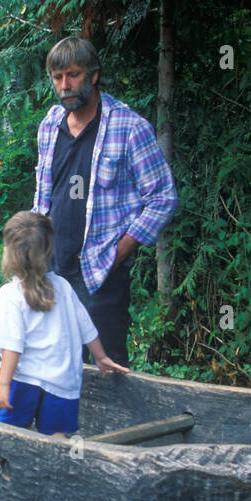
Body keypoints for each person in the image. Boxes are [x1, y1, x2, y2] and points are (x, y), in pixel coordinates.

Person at [32, 36, 177, 366]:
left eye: (73, 75)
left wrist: (120, 251)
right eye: (57, 77)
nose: (65, 85)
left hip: (99, 274)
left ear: (93, 75)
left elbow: (163, 197)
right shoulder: (49, 126)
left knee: (109, 368)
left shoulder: (129, 128)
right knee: (56, 365)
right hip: (51, 270)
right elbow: (43, 197)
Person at [0, 212, 128, 438]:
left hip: (23, 380)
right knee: (57, 436)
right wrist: (101, 356)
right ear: (48, 252)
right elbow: (86, 326)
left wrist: (3, 384)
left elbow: (12, 345)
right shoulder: (62, 285)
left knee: (7, 433)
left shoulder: (11, 294)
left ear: (10, 255)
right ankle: (58, 468)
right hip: (63, 381)